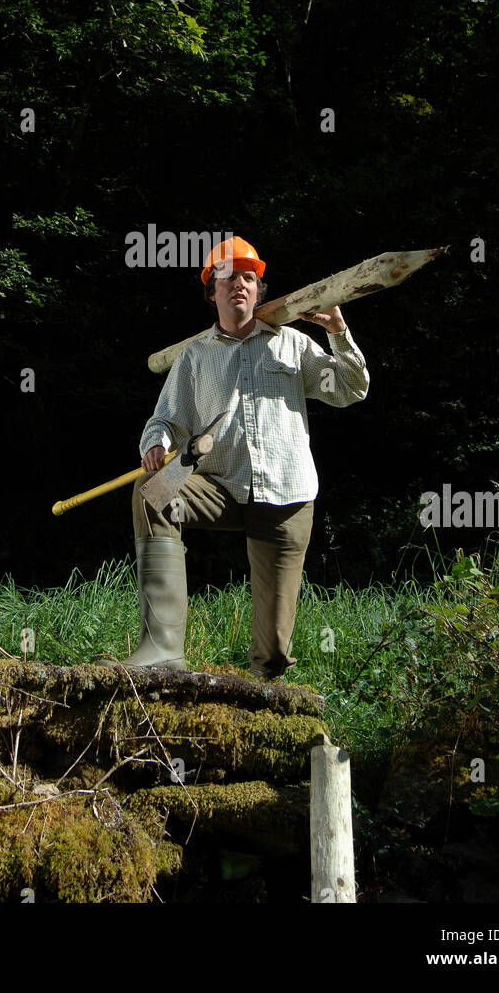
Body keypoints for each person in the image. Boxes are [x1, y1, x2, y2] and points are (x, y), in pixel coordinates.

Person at [125, 237, 370, 678]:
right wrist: (156, 444)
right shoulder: (195, 356)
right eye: (228, 277)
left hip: (287, 497)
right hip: (221, 486)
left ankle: (262, 697)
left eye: (249, 278)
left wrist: (337, 331)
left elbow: (351, 389)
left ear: (258, 290)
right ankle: (161, 653)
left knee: (274, 652)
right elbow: (163, 420)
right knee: (151, 492)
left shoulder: (291, 344)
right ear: (212, 291)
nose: (239, 284)